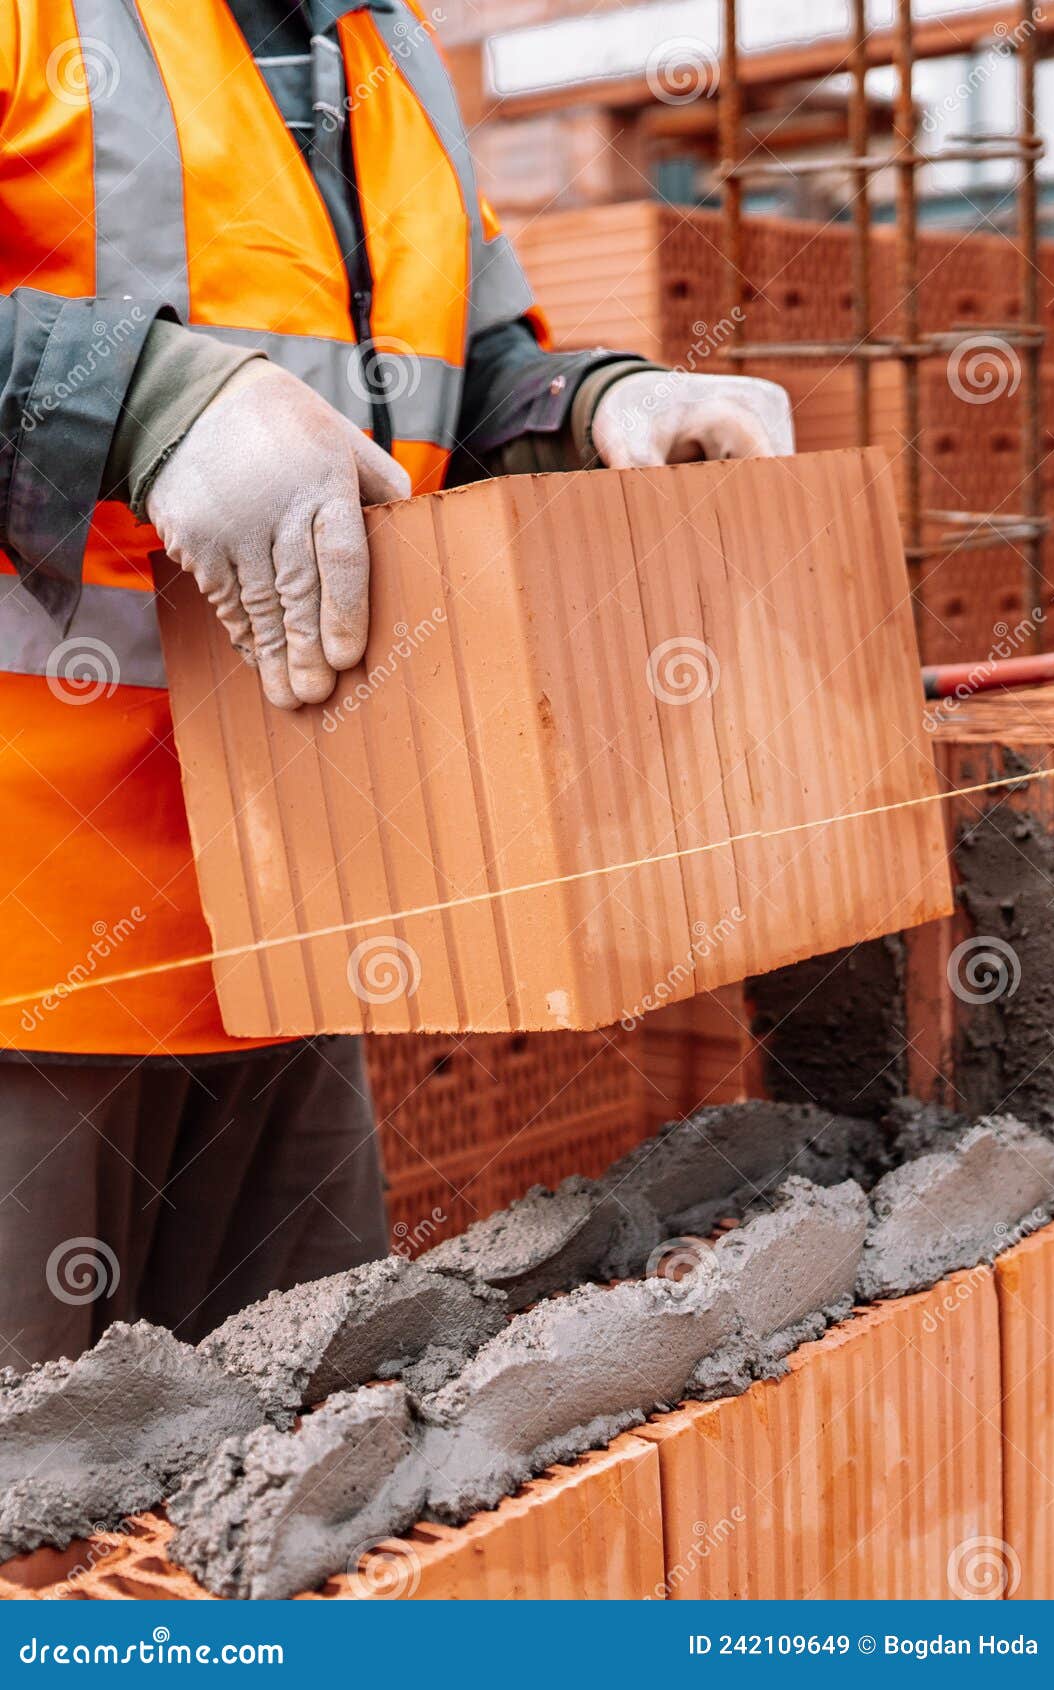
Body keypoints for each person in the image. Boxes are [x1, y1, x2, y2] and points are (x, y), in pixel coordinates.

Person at [0, 0, 792, 1367]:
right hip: (32, 943)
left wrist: (591, 404)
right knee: (40, 1519)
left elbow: (445, 377)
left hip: (293, 910)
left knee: (290, 1485)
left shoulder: (389, 45)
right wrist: (138, 401)